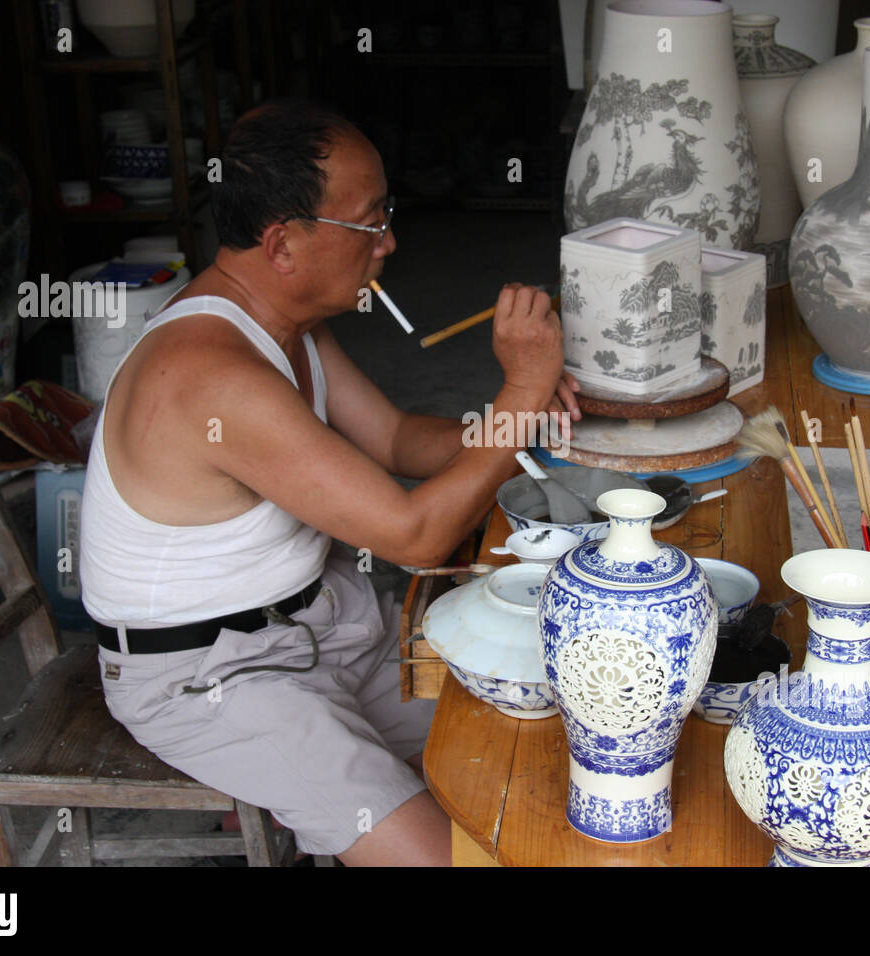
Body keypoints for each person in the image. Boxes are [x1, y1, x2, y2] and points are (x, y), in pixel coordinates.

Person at [78, 99, 579, 866]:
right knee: (448, 862)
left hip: (318, 623)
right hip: (213, 676)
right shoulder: (213, 376)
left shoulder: (285, 327)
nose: (389, 244)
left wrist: (530, 414)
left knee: (538, 733)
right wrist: (517, 395)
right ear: (283, 243)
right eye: (370, 224)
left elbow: (400, 439)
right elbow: (418, 535)